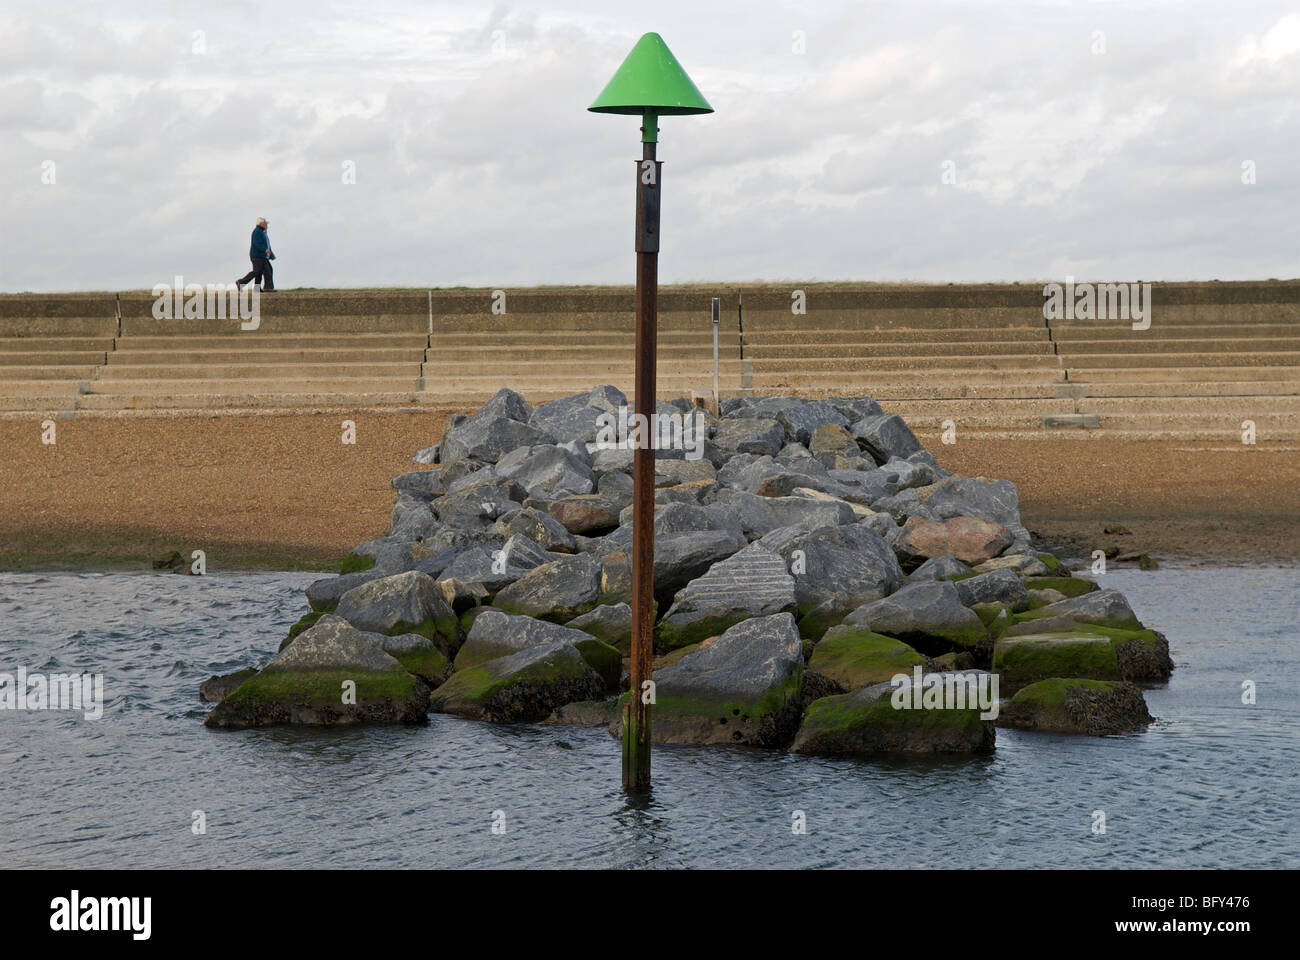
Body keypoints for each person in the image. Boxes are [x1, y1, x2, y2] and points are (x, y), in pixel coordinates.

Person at [236, 217, 276, 291]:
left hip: (262, 256)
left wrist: (270, 254)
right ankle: (241, 282)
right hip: (257, 256)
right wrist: (264, 250)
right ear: (261, 224)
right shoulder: (257, 231)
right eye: (265, 223)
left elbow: (267, 244)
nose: (267, 225)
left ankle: (257, 289)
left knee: (261, 271)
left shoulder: (262, 232)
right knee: (261, 271)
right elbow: (256, 243)